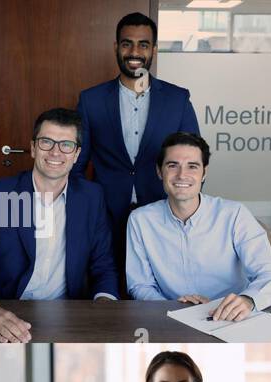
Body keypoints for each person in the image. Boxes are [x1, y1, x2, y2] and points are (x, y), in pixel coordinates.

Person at [0, 108, 120, 343]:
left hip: (67, 317)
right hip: (5, 312)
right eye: (46, 142)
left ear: (77, 154)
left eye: (66, 145)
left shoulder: (92, 197)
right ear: (33, 147)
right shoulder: (0, 194)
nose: (55, 152)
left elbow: (104, 265)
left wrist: (104, 307)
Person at [75, 12, 200, 280]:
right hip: (105, 215)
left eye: (143, 44)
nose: (134, 51)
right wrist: (83, 210)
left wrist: (185, 214)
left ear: (153, 50)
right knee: (107, 285)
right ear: (116, 47)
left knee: (156, 288)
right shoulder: (91, 100)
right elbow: (76, 165)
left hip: (163, 213)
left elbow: (193, 161)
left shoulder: (178, 99)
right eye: (126, 43)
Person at [126, 132, 271, 321]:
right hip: (171, 319)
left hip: (232, 319)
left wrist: (247, 300)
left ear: (204, 172)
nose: (182, 175)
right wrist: (170, 307)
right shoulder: (140, 220)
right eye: (172, 165)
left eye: (192, 166)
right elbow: (140, 285)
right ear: (159, 171)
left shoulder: (235, 215)